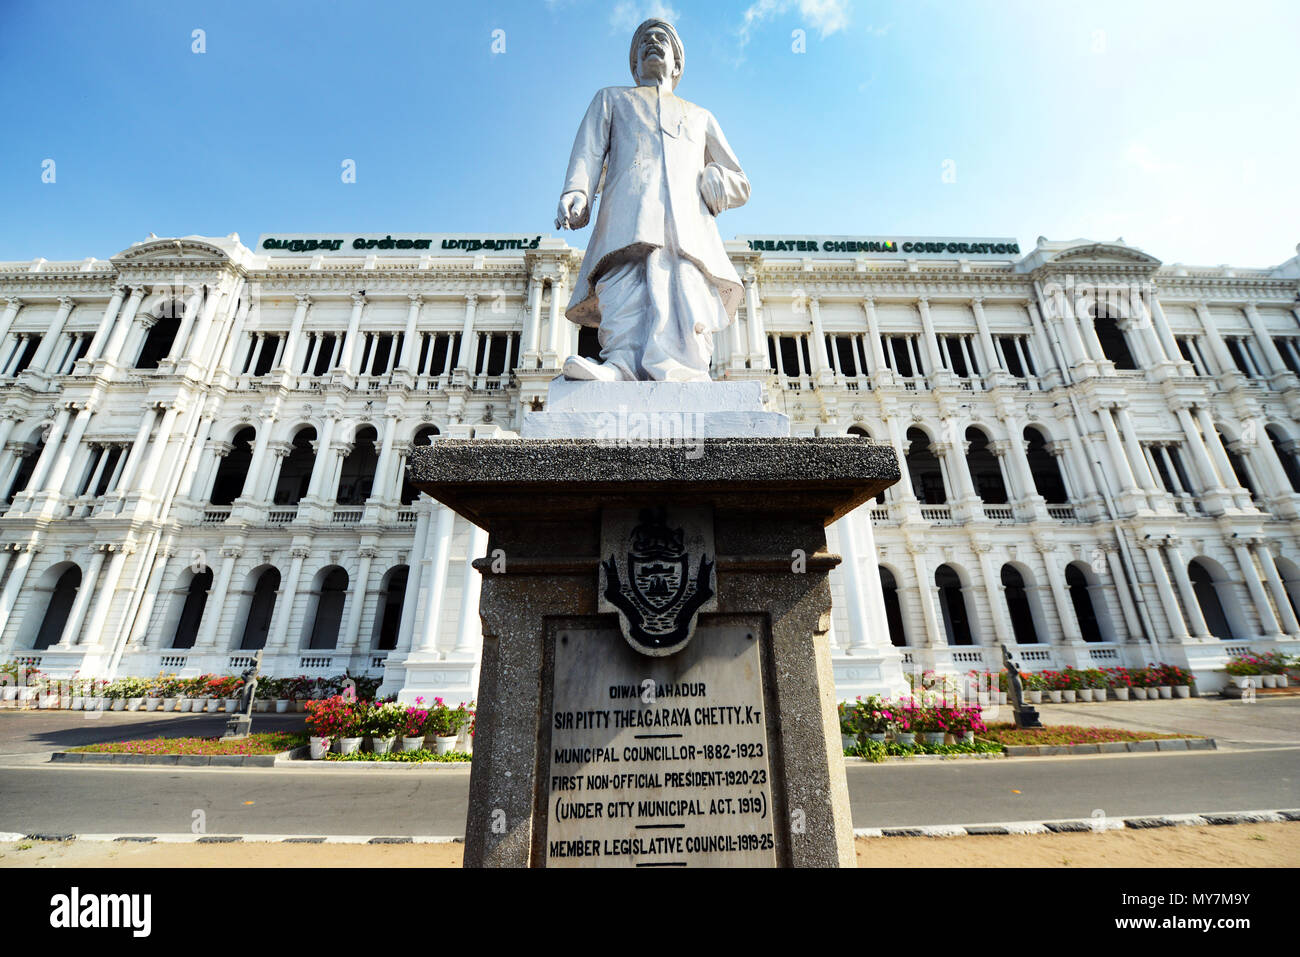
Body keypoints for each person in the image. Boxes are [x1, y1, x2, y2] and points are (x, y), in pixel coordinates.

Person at [554, 18, 750, 382]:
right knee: (624, 285)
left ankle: (689, 369)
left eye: (662, 39)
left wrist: (715, 178)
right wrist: (577, 192)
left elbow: (739, 180)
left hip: (687, 224)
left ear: (677, 63)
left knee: (686, 286)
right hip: (626, 214)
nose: (652, 42)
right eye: (644, 40)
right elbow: (588, 152)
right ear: (633, 64)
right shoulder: (612, 99)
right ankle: (621, 364)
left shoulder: (699, 115)